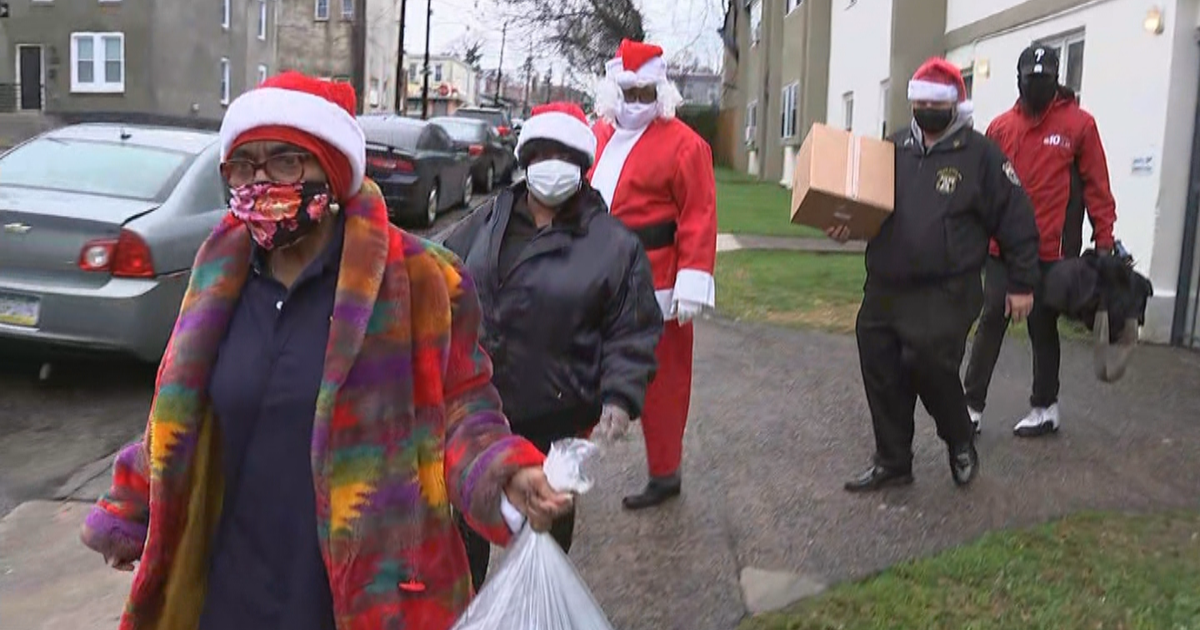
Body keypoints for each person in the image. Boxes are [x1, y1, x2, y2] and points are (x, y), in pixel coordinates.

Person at [78, 72, 572, 630]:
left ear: (331, 172)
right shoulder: (219, 274)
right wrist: (133, 503)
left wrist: (504, 472)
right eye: (243, 165)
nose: (259, 181)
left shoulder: (422, 279)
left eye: (286, 162)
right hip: (225, 593)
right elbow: (180, 413)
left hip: (364, 595)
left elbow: (462, 407)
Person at [443, 102, 663, 590]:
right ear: (525, 160)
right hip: (482, 408)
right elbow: (435, 266)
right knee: (466, 529)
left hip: (556, 413)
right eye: (541, 154)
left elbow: (632, 328)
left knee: (543, 533)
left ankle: (534, 606)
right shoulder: (489, 219)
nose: (551, 164)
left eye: (564, 155)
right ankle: (467, 608)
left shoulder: (614, 244)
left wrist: (620, 396)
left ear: (582, 166)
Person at [828, 58, 1041, 492]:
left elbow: (1016, 220)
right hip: (886, 283)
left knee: (928, 361)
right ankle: (893, 461)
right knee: (882, 367)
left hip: (948, 287)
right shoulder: (893, 148)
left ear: (954, 104)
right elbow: (866, 206)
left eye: (935, 103)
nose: (926, 110)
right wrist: (846, 224)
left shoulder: (981, 155)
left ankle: (959, 437)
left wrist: (1021, 283)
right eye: (919, 102)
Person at [589, 39, 718, 511]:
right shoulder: (595, 137)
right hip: (596, 279)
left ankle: (665, 473)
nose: (638, 102)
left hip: (657, 282)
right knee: (578, 370)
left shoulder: (685, 144)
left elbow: (699, 214)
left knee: (664, 383)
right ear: (614, 91)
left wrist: (692, 279)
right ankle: (560, 465)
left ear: (660, 92)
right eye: (630, 93)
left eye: (647, 94)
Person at [963, 45, 1118, 438]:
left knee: (1042, 326)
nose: (1037, 85)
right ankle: (970, 407)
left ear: (1056, 79)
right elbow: (983, 187)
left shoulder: (1080, 125)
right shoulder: (1001, 127)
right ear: (1019, 80)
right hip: (1003, 249)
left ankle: (1045, 407)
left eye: (1045, 79)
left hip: (1053, 249)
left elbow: (1097, 185)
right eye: (1030, 79)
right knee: (991, 320)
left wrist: (1104, 239)